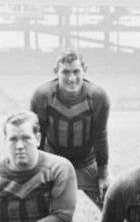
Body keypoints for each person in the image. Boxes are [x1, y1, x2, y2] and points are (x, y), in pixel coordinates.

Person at [30, 49, 110, 207]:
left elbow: (100, 136)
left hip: (87, 163)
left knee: (113, 204)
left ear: (84, 71)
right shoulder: (43, 96)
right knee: (36, 207)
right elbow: (38, 137)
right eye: (65, 72)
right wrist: (39, 173)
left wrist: (103, 175)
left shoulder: (98, 96)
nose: (71, 78)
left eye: (76, 71)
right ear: (56, 72)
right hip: (54, 163)